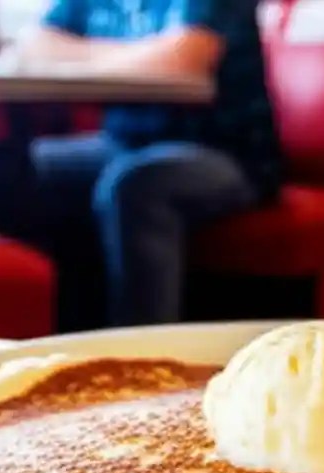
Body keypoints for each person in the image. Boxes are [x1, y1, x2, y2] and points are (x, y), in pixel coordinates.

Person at [19, 0, 281, 328]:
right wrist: (136, 55)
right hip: (124, 142)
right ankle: (49, 340)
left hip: (225, 150)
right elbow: (33, 43)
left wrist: (83, 54)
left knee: (136, 185)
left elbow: (183, 59)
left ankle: (144, 357)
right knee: (24, 169)